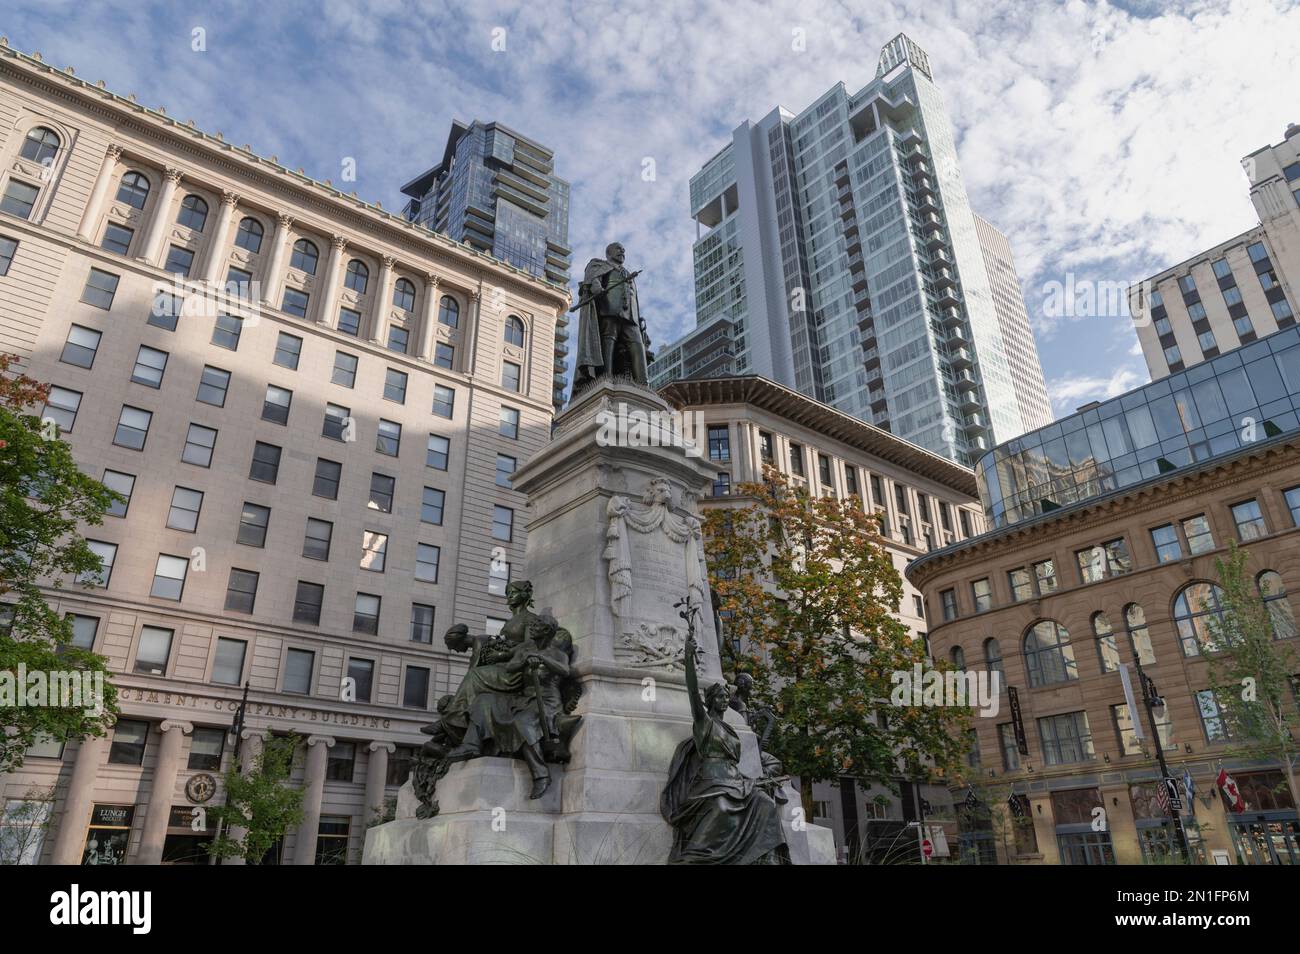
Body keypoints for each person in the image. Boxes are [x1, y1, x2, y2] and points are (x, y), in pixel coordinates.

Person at [660, 630, 788, 864]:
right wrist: (688, 658)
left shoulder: (729, 728)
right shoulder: (704, 724)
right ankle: (697, 856)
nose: (724, 699)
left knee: (765, 803)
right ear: (710, 701)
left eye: (725, 696)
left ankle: (768, 858)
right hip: (712, 786)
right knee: (721, 808)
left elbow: (734, 763)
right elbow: (691, 691)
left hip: (736, 783)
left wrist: (752, 779)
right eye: (719, 696)